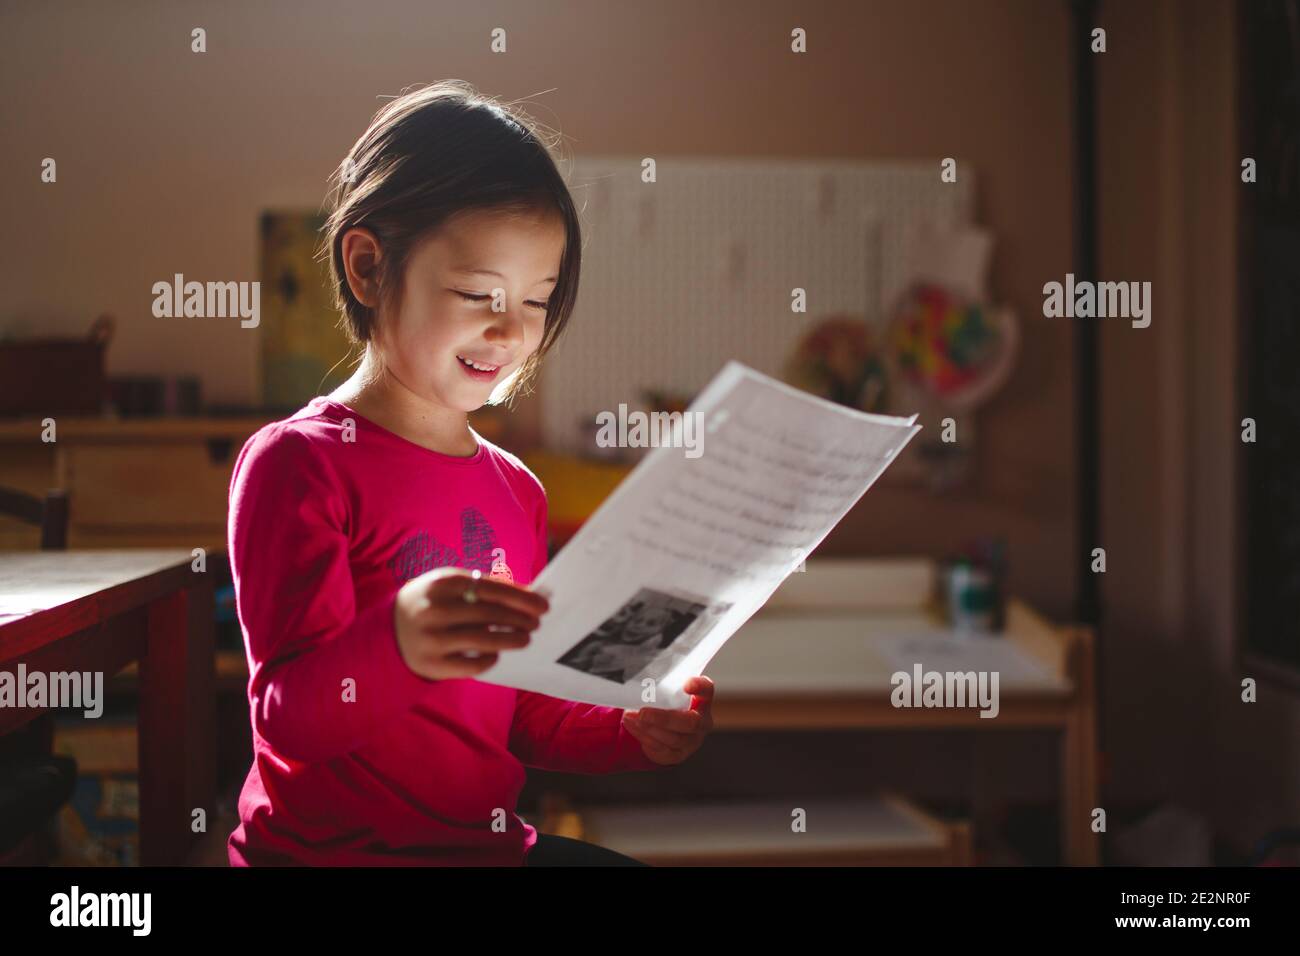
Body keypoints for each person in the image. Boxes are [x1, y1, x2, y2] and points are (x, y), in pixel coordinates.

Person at [226, 81, 715, 866]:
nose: (511, 330)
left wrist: (627, 729)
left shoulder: (515, 490)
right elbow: (288, 718)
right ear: (367, 266)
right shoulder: (300, 463)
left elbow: (519, 709)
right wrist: (398, 644)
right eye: (477, 293)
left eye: (537, 300)